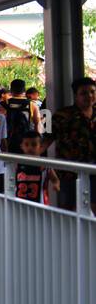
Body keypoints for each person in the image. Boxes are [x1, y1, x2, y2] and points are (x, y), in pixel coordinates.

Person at [51, 76, 96, 212]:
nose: (89, 96)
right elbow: (45, 139)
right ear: (76, 95)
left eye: (92, 92)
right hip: (70, 173)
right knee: (70, 210)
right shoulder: (61, 116)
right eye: (83, 93)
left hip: (94, 170)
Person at [13, 131, 59, 205]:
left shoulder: (44, 164)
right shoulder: (17, 163)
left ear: (41, 147)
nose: (30, 148)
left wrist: (56, 185)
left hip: (40, 205)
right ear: (21, 146)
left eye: (34, 145)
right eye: (26, 145)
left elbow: (55, 179)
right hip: (21, 204)